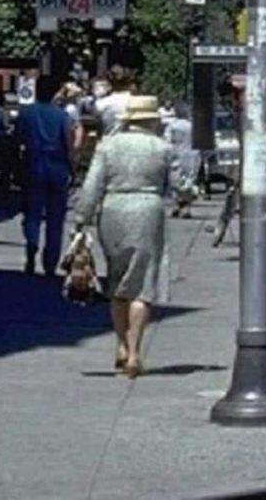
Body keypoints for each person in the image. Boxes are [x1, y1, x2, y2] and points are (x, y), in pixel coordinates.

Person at [75, 95, 172, 378]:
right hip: (148, 210)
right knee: (142, 284)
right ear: (152, 120)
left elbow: (92, 185)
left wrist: (82, 218)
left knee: (117, 280)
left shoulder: (108, 146)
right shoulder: (162, 148)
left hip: (113, 210)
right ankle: (134, 353)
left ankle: (120, 345)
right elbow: (179, 184)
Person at [15, 76, 74, 276]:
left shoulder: (26, 113)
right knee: (55, 218)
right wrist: (72, 169)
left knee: (32, 212)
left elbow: (17, 139)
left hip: (33, 165)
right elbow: (68, 144)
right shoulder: (62, 115)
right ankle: (50, 261)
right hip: (57, 167)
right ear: (55, 93)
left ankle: (32, 243)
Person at [163, 102, 200, 218]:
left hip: (176, 157)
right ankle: (185, 208)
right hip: (192, 157)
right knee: (189, 182)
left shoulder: (172, 126)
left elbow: (167, 141)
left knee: (176, 183)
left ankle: (178, 205)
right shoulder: (192, 126)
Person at [95, 65, 133, 136]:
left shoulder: (101, 103)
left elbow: (98, 127)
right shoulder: (136, 101)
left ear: (110, 83)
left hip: (109, 140)